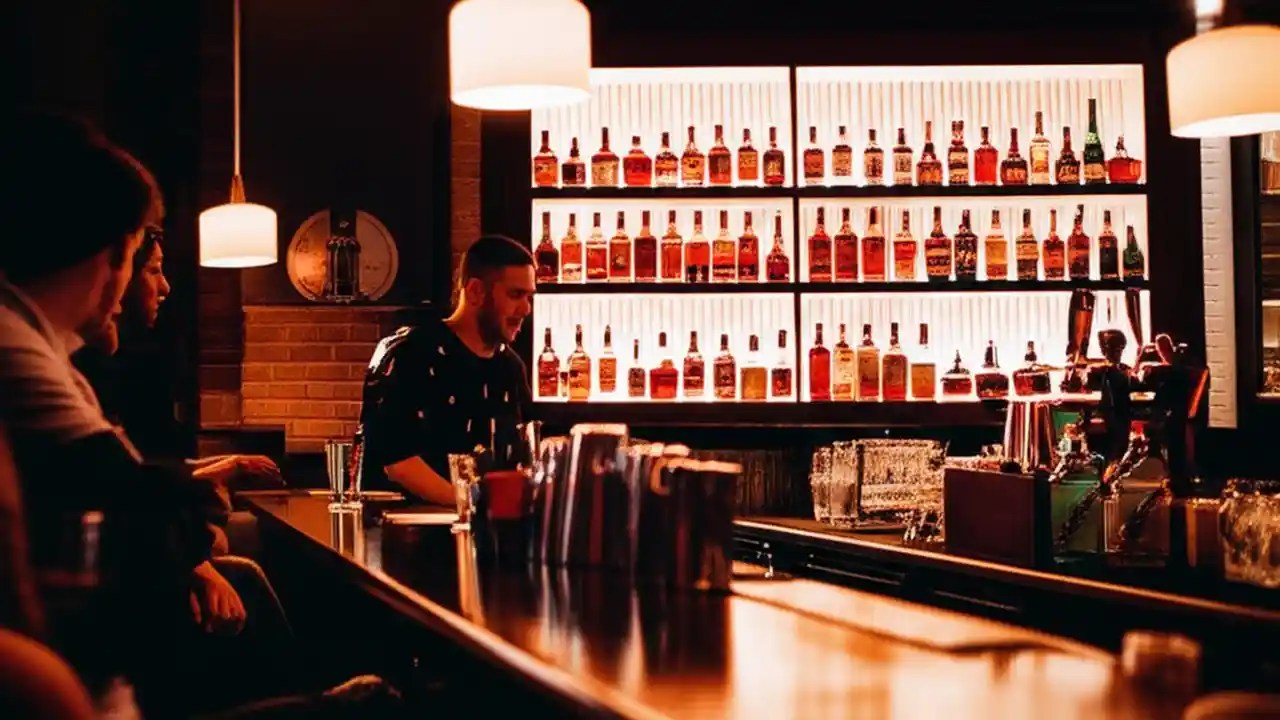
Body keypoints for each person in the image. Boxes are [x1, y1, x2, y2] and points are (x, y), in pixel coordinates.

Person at [360, 235, 535, 504]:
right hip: (402, 535)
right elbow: (397, 463)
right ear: (475, 291)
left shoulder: (511, 368)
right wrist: (471, 507)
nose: (525, 309)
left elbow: (520, 462)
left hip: (486, 536)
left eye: (529, 296)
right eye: (515, 295)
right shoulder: (410, 352)